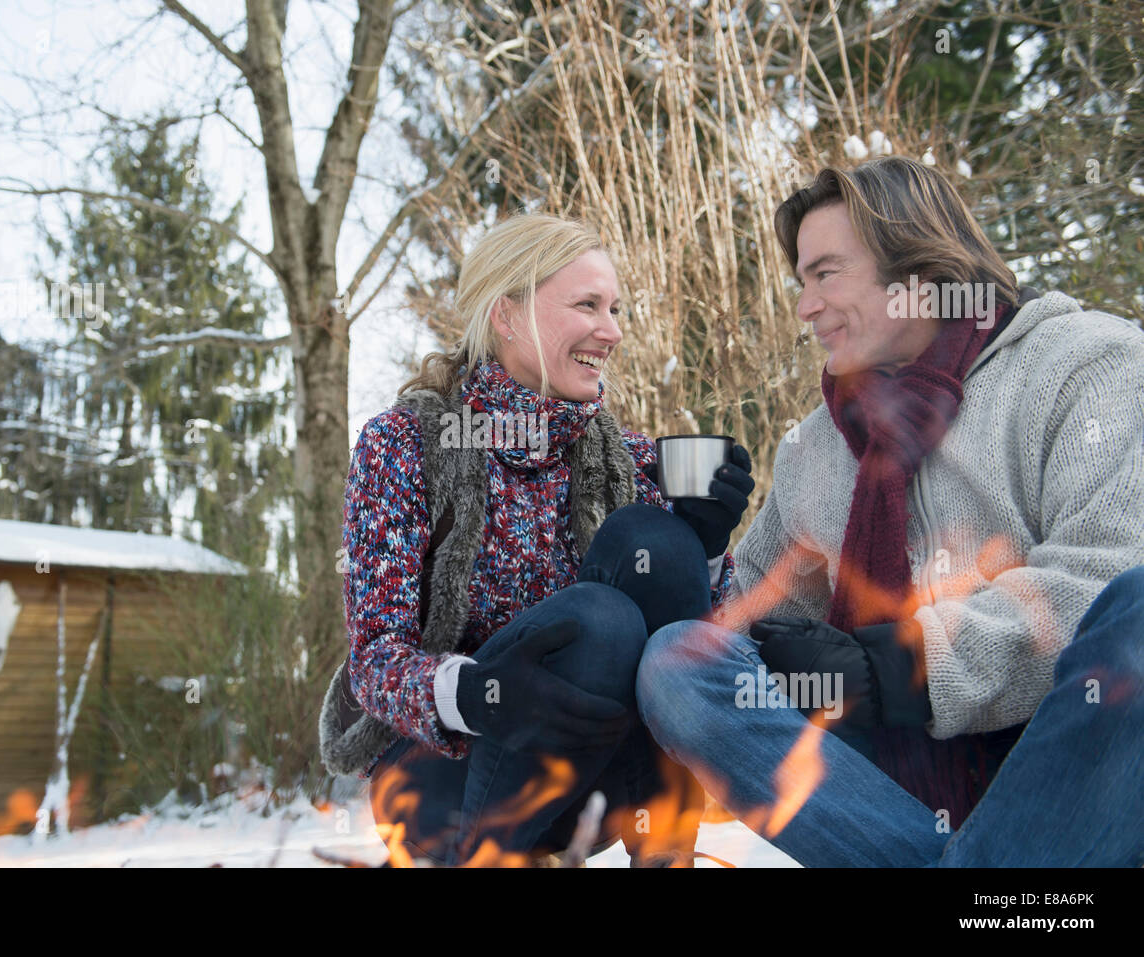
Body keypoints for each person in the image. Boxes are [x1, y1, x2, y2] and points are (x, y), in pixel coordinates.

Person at [636, 156, 1144, 867]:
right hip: (885, 797)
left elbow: (1107, 581)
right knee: (677, 663)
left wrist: (902, 666)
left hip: (1065, 770)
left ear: (920, 267)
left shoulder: (1088, 365)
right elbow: (741, 613)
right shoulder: (819, 442)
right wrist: (704, 538)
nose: (806, 305)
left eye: (826, 274)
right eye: (801, 281)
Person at [317, 213, 754, 866]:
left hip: (595, 778)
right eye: (588, 305)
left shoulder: (626, 458)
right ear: (507, 316)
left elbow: (707, 647)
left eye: (615, 307)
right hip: (444, 778)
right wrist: (479, 691)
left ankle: (666, 858)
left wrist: (709, 546)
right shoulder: (403, 444)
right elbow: (375, 661)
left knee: (655, 545)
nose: (613, 330)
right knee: (598, 620)